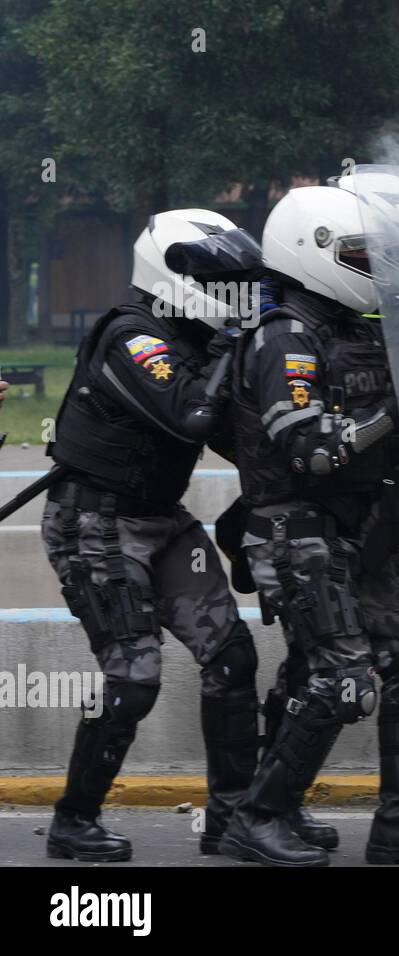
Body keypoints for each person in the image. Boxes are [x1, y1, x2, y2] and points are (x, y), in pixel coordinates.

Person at [217, 184, 399, 867]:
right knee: (340, 680)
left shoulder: (354, 330)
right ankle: (258, 815)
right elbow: (310, 448)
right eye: (362, 254)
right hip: (294, 536)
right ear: (314, 251)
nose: (375, 267)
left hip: (352, 535)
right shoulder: (285, 338)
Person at [40, 209, 263, 861]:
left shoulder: (196, 340)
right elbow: (192, 414)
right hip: (94, 522)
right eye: (219, 281)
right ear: (174, 273)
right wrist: (234, 341)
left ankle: (232, 816)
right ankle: (73, 822)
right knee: (133, 677)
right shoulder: (131, 337)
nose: (230, 296)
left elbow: (236, 437)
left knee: (232, 657)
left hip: (161, 520)